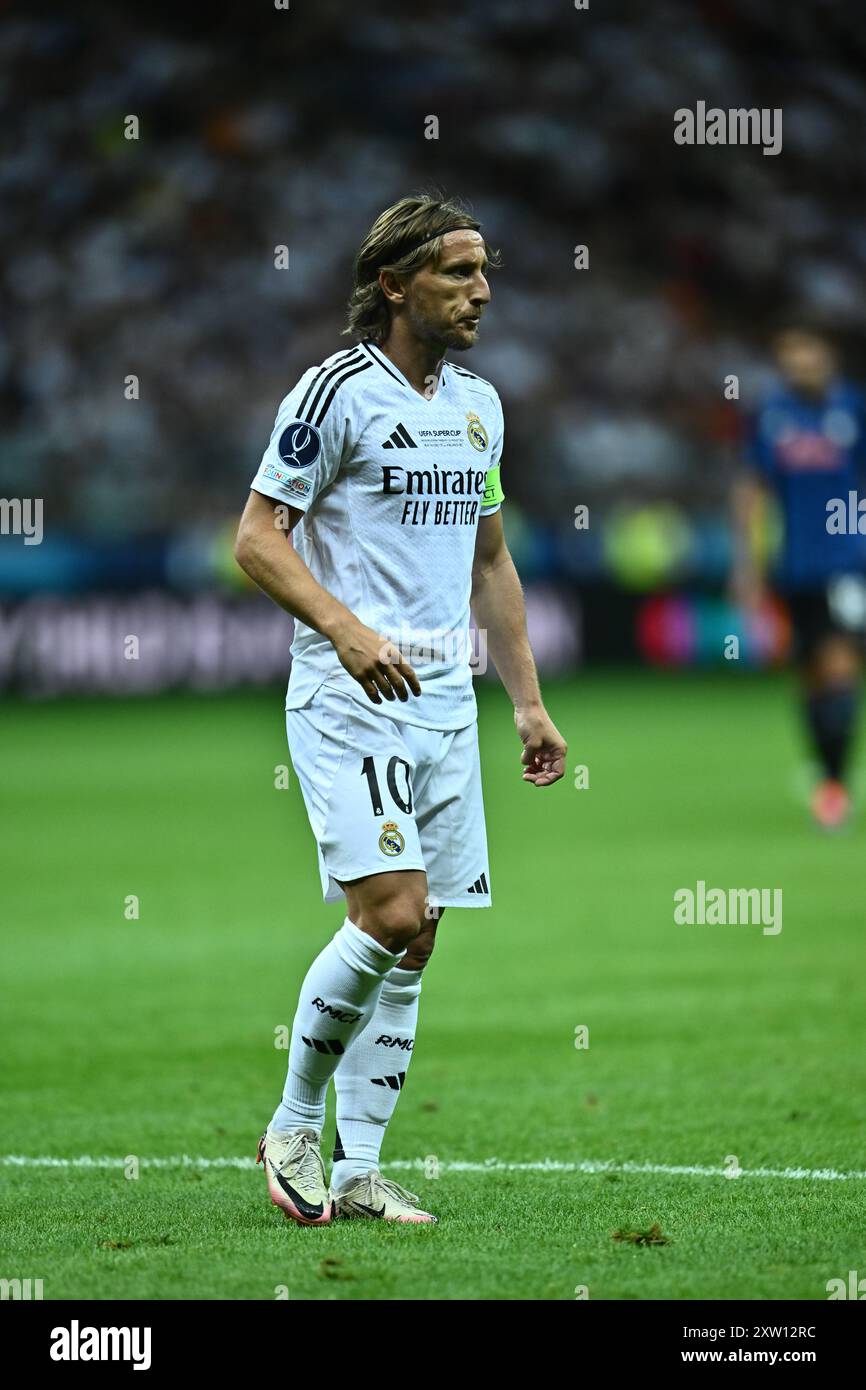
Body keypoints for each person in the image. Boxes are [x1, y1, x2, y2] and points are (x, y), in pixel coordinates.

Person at [234, 195, 567, 1224]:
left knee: (417, 938)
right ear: (393, 283)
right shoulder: (333, 392)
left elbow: (490, 558)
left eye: (483, 272)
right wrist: (343, 628)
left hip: (443, 703)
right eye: (458, 272)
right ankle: (291, 1124)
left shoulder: (478, 407)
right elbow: (256, 537)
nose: (480, 290)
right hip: (349, 695)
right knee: (386, 912)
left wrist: (526, 703)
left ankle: (357, 1167)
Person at [732, 324, 866, 828]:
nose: (799, 363)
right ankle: (829, 774)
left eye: (807, 351)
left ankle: (833, 789)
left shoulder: (852, 408)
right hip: (795, 566)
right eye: (789, 354)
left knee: (838, 666)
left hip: (848, 562)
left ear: (826, 354)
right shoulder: (772, 416)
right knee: (810, 676)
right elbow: (752, 488)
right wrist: (748, 565)